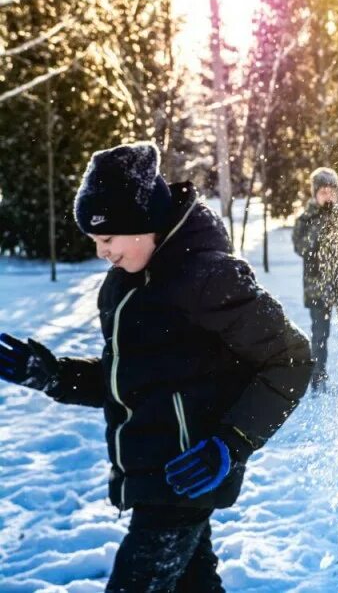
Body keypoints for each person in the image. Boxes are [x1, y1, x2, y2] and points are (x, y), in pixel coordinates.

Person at [0, 142, 313, 591]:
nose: (101, 252)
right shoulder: (123, 287)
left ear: (143, 224)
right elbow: (128, 380)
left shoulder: (209, 276)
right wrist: (53, 376)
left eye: (107, 239)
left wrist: (231, 442)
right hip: (154, 476)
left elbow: (291, 360)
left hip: (187, 475)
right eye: (94, 241)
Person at [292, 167, 338, 392]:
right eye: (322, 190)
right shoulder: (306, 218)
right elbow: (300, 247)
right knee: (319, 335)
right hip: (317, 286)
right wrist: (319, 227)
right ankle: (318, 377)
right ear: (315, 193)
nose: (327, 194)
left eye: (331, 190)